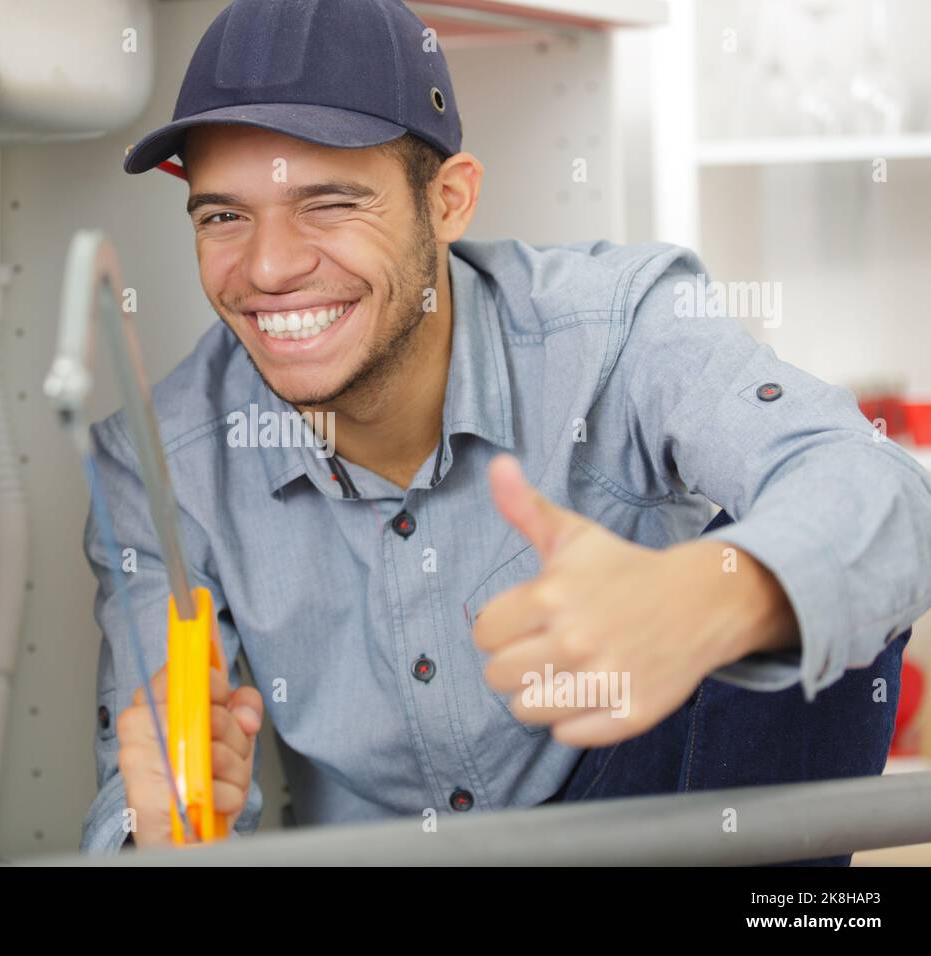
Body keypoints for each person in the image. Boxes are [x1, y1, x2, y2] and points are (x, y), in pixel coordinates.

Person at [79, 0, 931, 862]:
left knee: (805, 567)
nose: (267, 267)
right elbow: (142, 776)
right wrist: (159, 827)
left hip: (651, 835)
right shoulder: (159, 466)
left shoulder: (618, 326)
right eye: (224, 215)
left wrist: (717, 598)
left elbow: (880, 490)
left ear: (449, 201)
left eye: (329, 203)